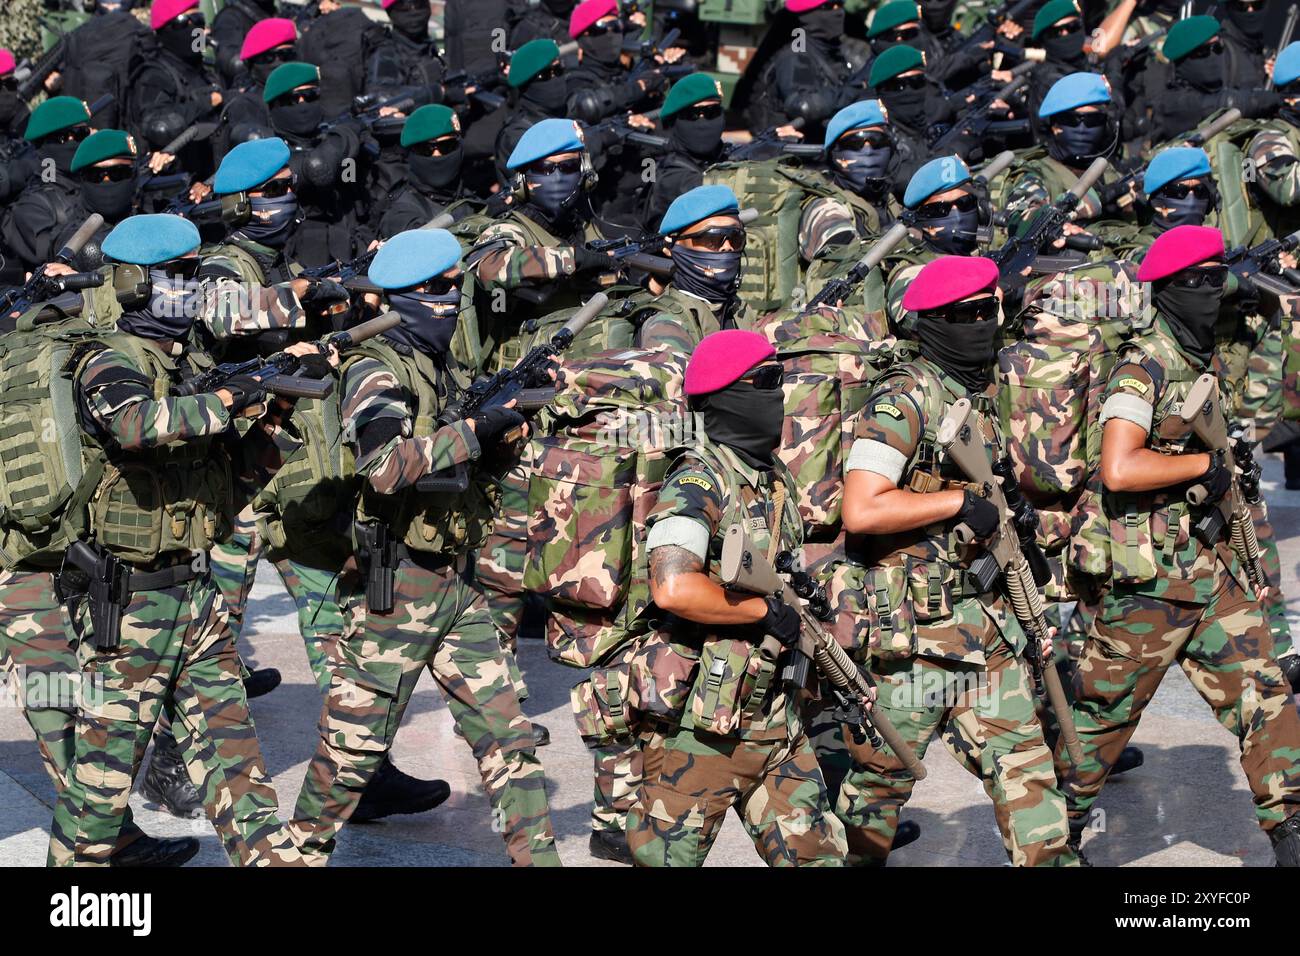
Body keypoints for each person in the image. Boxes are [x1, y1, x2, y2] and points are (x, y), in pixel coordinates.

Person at [47, 213, 323, 867]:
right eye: (177, 279)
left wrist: (278, 410)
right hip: (130, 610)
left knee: (241, 780)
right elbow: (138, 426)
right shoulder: (105, 360)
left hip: (195, 600)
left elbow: (230, 486)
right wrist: (228, 400)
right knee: (94, 813)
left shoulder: (188, 364)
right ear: (137, 284)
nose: (192, 291)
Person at [286, 227, 561, 867]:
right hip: (397, 590)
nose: (450, 301)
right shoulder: (375, 370)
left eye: (452, 289)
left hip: (457, 585)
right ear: (404, 299)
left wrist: (506, 426)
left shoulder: (438, 365)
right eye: (436, 291)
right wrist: (475, 428)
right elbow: (384, 466)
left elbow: (459, 469)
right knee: (349, 758)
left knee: (508, 742)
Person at [1062, 224, 1300, 866]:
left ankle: (1291, 828)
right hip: (1147, 580)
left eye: (1213, 277)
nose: (1210, 290)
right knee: (1101, 718)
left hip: (1209, 568)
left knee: (1264, 690)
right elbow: (1118, 468)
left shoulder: (1204, 358)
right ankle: (1054, 835)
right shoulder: (1144, 367)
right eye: (1194, 281)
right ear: (1166, 290)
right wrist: (1200, 468)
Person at [835, 255, 1078, 867]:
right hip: (914, 638)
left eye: (987, 312)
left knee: (1029, 778)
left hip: (989, 626)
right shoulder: (902, 401)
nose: (982, 327)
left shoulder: (975, 391)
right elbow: (862, 509)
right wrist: (956, 502)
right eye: (966, 317)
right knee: (878, 791)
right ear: (934, 324)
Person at [624, 328, 849, 867]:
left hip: (773, 718)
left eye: (780, 383)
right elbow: (673, 586)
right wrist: (762, 613)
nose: (777, 398)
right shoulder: (698, 479)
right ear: (724, 397)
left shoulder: (768, 478)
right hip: (702, 729)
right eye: (764, 384)